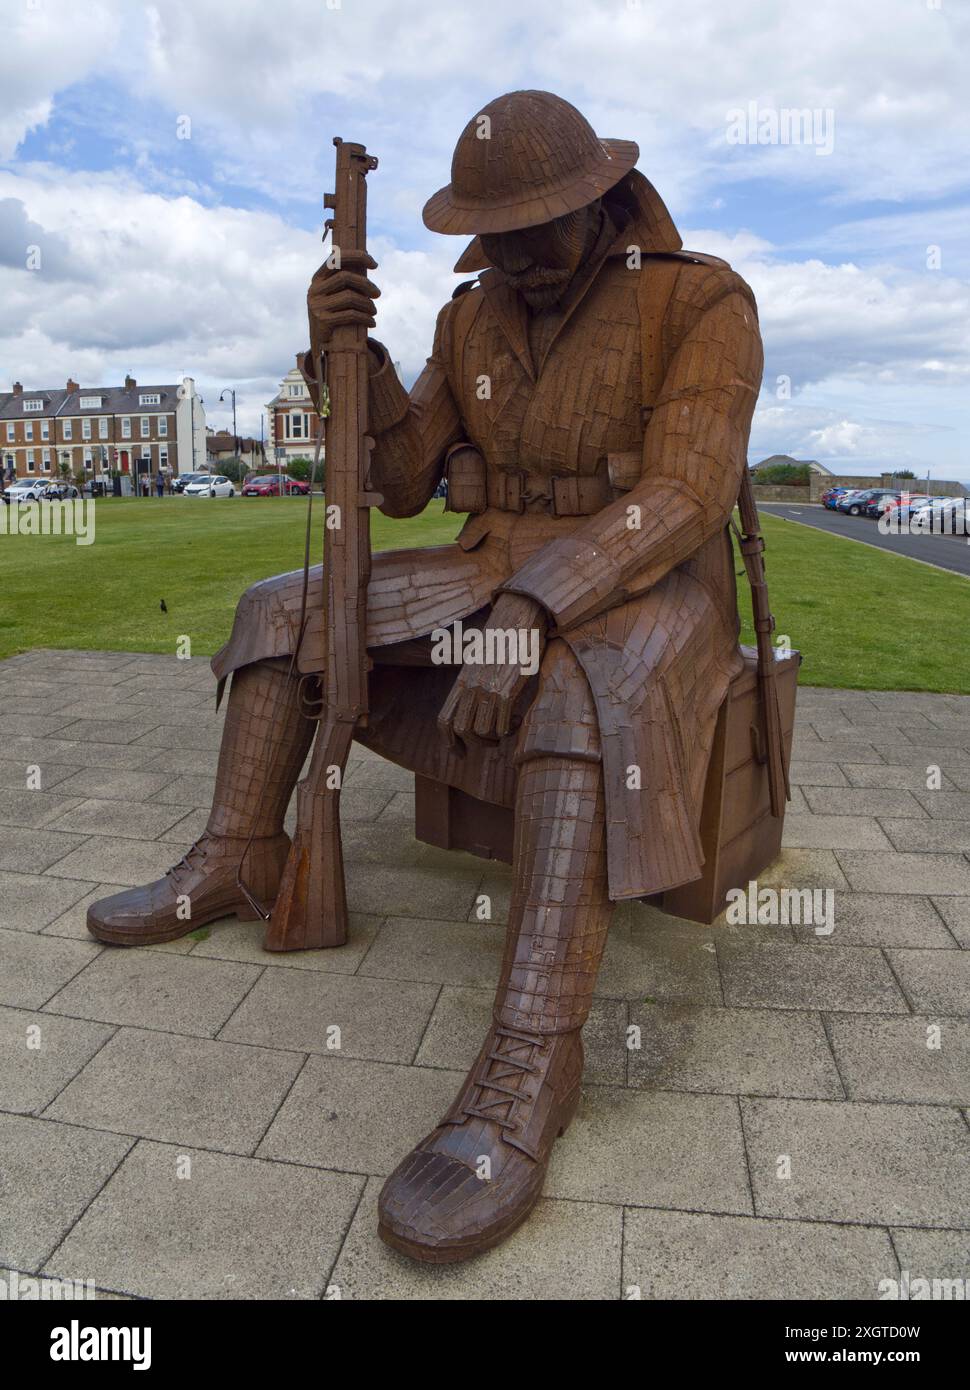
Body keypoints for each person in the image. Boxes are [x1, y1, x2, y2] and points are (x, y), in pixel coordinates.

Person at [87, 90, 764, 1263]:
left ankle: (533, 1054)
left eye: (531, 231)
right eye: (490, 236)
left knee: (573, 688)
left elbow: (686, 492)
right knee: (279, 612)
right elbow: (400, 480)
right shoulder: (472, 318)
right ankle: (243, 855)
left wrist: (534, 608)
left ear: (599, 202)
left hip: (655, 583)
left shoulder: (697, 298)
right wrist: (349, 353)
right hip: (489, 558)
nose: (509, 258)